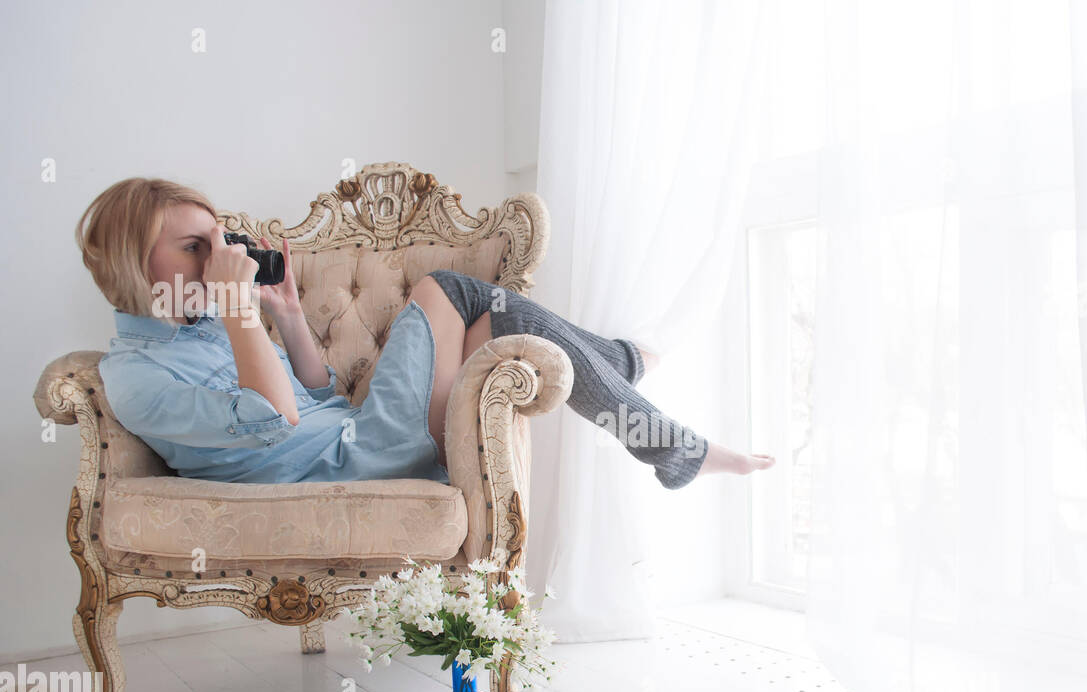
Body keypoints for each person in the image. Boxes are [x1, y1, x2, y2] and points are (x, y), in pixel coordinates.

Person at [78, 178, 775, 489]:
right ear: (137, 265)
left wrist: (284, 311)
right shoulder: (133, 376)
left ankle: (663, 437)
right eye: (194, 246)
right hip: (357, 463)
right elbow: (272, 419)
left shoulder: (206, 328)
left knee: (489, 316)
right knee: (451, 288)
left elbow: (314, 396)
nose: (217, 257)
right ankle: (633, 380)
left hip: (357, 434)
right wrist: (238, 313)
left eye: (217, 240)